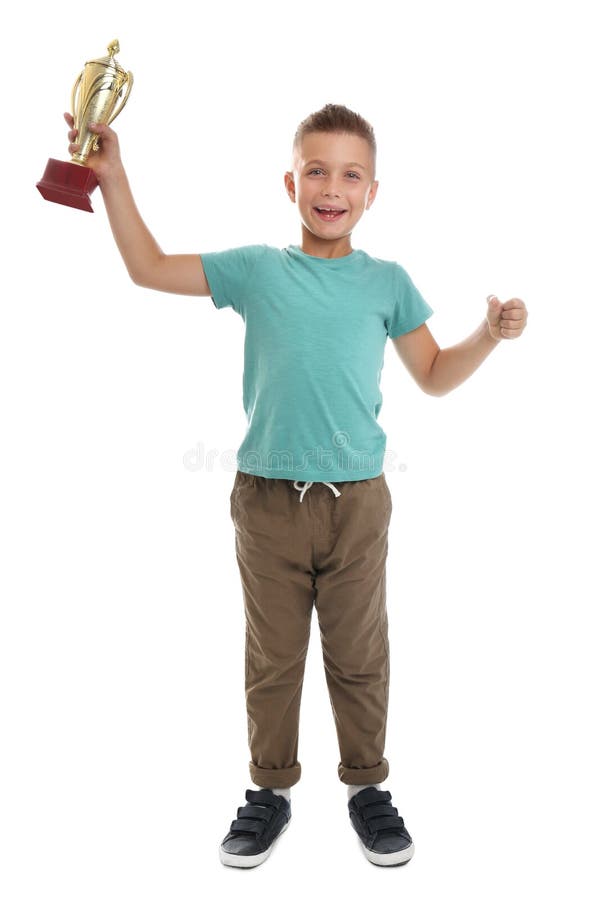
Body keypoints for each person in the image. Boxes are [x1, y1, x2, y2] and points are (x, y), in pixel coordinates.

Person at [64, 103, 528, 869]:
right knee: (273, 659)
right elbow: (147, 268)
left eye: (350, 174)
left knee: (358, 654)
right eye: (317, 170)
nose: (332, 187)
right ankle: (270, 792)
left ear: (373, 191)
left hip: (359, 505)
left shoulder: (389, 282)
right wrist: (111, 175)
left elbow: (436, 375)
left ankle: (366, 788)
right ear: (291, 182)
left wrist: (488, 336)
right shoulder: (257, 269)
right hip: (268, 503)